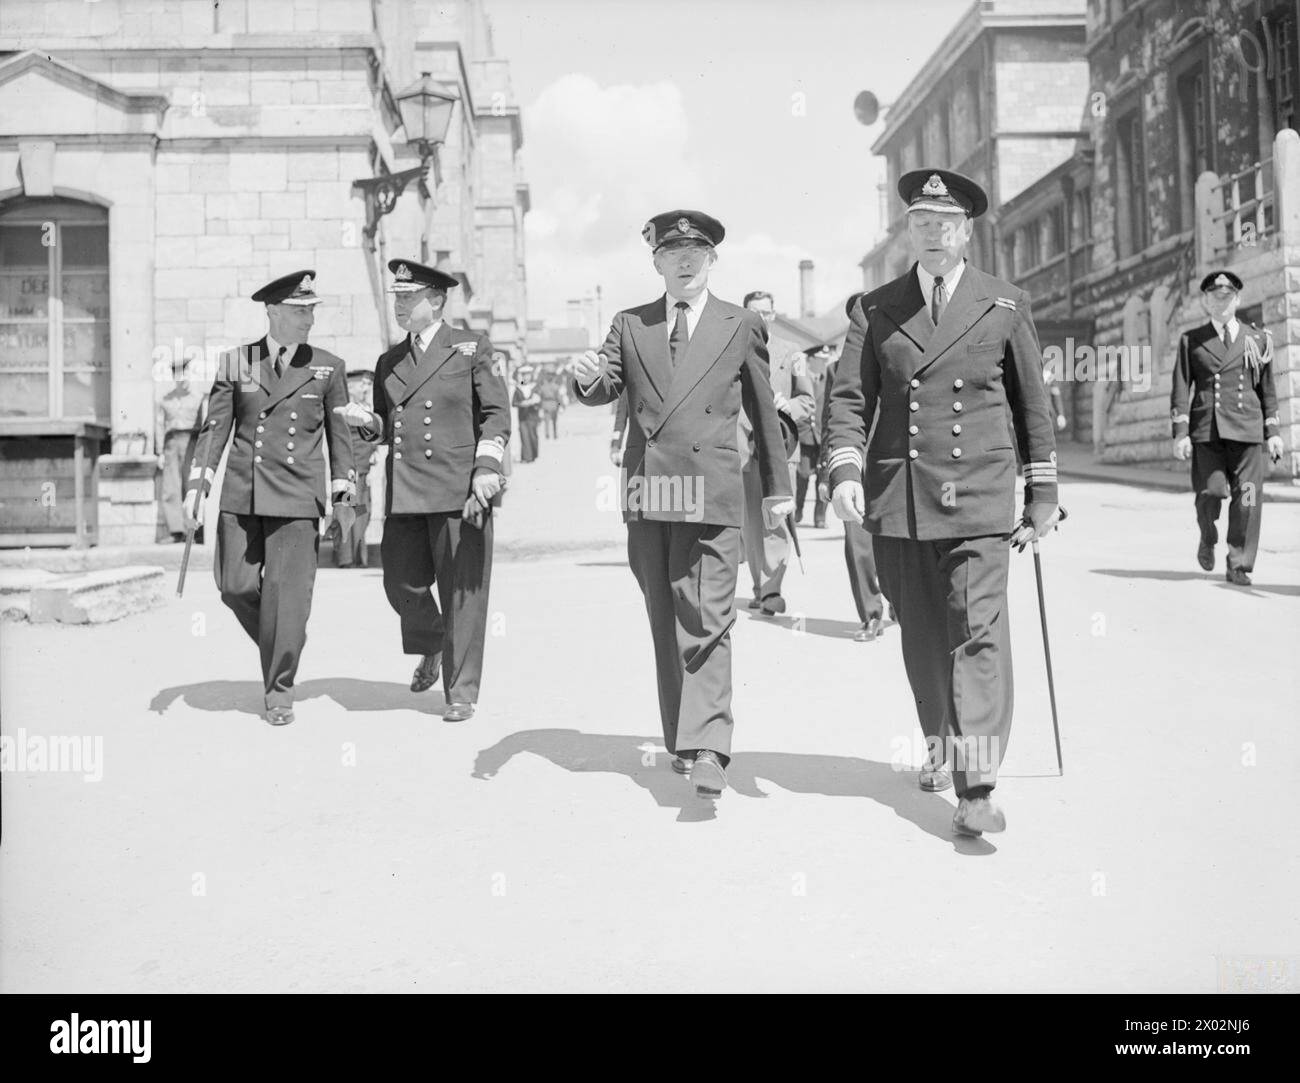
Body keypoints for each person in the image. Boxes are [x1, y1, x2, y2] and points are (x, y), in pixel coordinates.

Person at [826, 169, 1060, 837]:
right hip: (902, 500)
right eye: (920, 223)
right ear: (908, 233)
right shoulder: (874, 309)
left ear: (967, 232)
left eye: (945, 223)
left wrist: (1042, 489)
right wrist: (845, 470)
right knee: (925, 634)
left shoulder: (1006, 304)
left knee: (977, 632)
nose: (932, 234)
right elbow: (847, 399)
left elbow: (1031, 404)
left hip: (981, 498)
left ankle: (977, 783)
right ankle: (940, 738)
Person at [571, 210, 794, 799]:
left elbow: (765, 412)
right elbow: (605, 387)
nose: (686, 261)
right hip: (650, 495)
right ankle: (683, 739)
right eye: (674, 254)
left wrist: (776, 490)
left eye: (696, 253)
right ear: (657, 263)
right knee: (666, 620)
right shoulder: (630, 323)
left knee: (710, 619)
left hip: (713, 491)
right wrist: (585, 377)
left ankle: (710, 748)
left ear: (712, 260)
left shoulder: (740, 324)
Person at [336, 259, 510, 722]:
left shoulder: (471, 348)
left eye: (407, 297)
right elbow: (386, 425)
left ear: (436, 301)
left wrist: (487, 465)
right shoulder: (388, 361)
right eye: (396, 297)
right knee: (401, 582)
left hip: (460, 489)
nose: (399, 304)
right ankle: (431, 643)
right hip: (407, 491)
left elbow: (495, 412)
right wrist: (367, 423)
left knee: (463, 593)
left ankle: (460, 691)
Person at [183, 270, 356, 726]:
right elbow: (216, 428)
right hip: (242, 494)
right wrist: (197, 487)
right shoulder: (238, 362)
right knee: (234, 586)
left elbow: (342, 441)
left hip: (298, 499)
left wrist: (344, 498)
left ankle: (279, 690)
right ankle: (285, 639)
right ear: (274, 312)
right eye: (300, 311)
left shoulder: (327, 366)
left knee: (287, 597)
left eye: (312, 310)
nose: (309, 320)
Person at [1171, 270, 1284, 586]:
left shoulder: (1257, 339)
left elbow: (1268, 390)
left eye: (1227, 297)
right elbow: (1181, 389)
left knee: (1247, 498)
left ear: (1238, 299)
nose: (1221, 302)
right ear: (1205, 301)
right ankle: (1208, 535)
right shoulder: (1190, 340)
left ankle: (1239, 564)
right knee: (1211, 492)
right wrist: (1180, 433)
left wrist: (1273, 432)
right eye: (1214, 297)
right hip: (1208, 430)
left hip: (1248, 430)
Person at [739, 290, 815, 616]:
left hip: (782, 449)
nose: (761, 318)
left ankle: (772, 591)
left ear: (774, 314)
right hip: (744, 449)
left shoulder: (791, 352)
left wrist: (790, 405)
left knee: (777, 521)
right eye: (754, 312)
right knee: (752, 524)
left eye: (767, 313)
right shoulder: (731, 349)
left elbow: (807, 400)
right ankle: (760, 587)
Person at [819, 300, 888, 642]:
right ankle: (871, 614)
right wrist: (826, 472)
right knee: (858, 544)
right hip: (853, 466)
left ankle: (903, 607)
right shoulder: (837, 368)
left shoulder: (901, 353)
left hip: (896, 465)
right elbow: (829, 419)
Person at [327, 370, 376, 567]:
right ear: (351, 386)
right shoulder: (345, 408)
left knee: (362, 513)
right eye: (362, 384)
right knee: (346, 511)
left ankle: (357, 556)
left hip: (363, 472)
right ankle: (345, 558)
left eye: (368, 384)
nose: (366, 389)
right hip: (348, 473)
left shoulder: (364, 407)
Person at [155, 362, 207, 542]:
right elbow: (159, 425)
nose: (181, 378)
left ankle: (194, 530)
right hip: (171, 443)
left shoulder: (198, 397)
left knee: (190, 484)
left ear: (189, 373)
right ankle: (177, 531)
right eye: (177, 374)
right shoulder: (165, 399)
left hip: (191, 441)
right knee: (171, 487)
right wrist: (159, 452)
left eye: (183, 373)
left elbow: (204, 424)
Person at [799, 342, 835, 527]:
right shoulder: (801, 376)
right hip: (804, 436)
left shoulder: (828, 378)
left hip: (821, 435)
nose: (824, 362)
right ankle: (797, 512)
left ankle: (820, 518)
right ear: (811, 359)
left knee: (823, 476)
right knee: (802, 475)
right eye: (821, 359)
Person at [513, 365, 541, 462]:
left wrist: (536, 401)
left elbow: (539, 400)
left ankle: (533, 455)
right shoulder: (518, 388)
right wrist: (523, 403)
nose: (526, 377)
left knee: (533, 436)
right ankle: (526, 457)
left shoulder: (535, 386)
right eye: (524, 375)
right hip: (522, 417)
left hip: (533, 416)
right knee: (524, 436)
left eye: (528, 375)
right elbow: (514, 402)